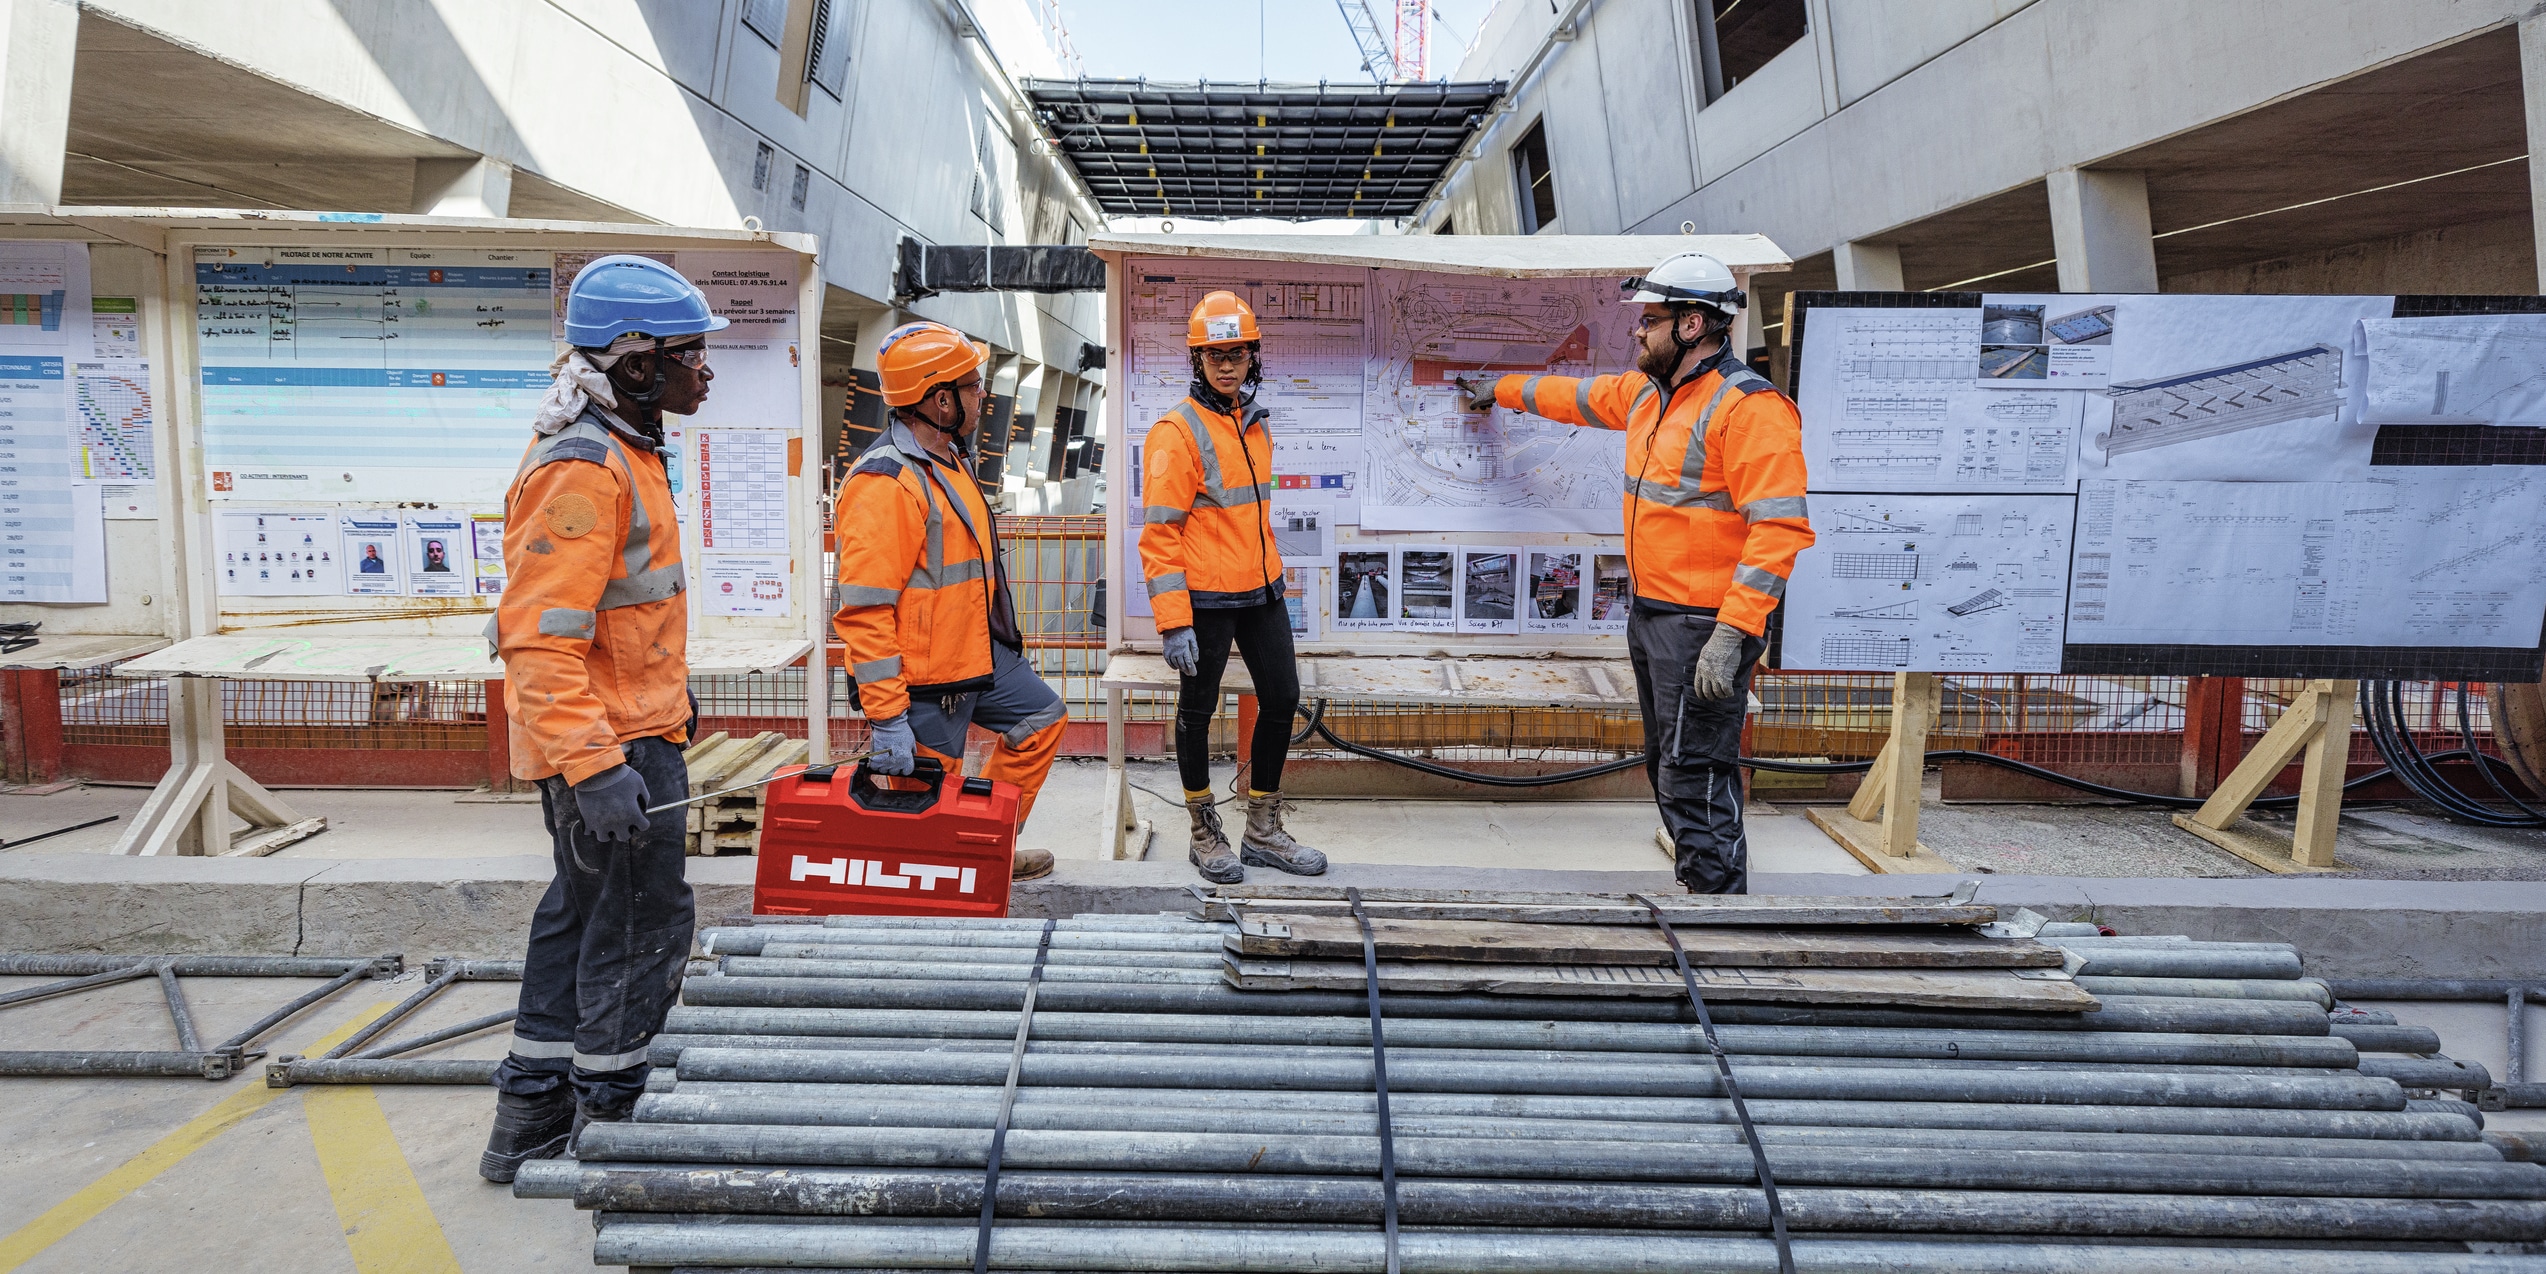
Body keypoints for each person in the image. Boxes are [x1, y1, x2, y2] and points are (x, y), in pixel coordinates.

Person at [1462, 251, 1815, 894]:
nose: (1639, 330)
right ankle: (1702, 890)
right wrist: (1501, 389)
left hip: (1705, 627)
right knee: (1667, 764)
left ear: (1692, 325)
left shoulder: (1750, 409)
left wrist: (1733, 633)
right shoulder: (1649, 394)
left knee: (1695, 771)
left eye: (1651, 320)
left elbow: (1779, 529)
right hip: (1654, 615)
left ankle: (1718, 912)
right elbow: (1575, 397)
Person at [479, 255, 717, 1182]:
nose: (705, 371)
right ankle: (612, 1127)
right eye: (690, 354)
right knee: (636, 926)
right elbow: (539, 641)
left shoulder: (625, 449)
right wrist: (597, 767)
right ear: (635, 363)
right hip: (611, 750)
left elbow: (623, 616)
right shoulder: (586, 468)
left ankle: (530, 1118)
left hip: (626, 733)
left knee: (579, 918)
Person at [832, 321, 1060, 883]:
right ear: (940, 400)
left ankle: (986, 848)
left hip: (974, 654)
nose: (982, 396)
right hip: (924, 680)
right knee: (930, 811)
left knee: (1041, 719)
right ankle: (948, 879)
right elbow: (865, 612)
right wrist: (888, 716)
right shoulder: (886, 483)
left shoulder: (950, 459)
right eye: (972, 386)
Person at [1139, 291, 1326, 884]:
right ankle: (1203, 832)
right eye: (1214, 354)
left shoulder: (1254, 423)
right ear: (1198, 358)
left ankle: (1262, 830)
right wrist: (1174, 622)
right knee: (1197, 712)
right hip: (1206, 600)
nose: (1226, 365)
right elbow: (1160, 534)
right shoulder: (1175, 431)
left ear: (1252, 356)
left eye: (1236, 353)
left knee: (1282, 698)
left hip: (1261, 591)